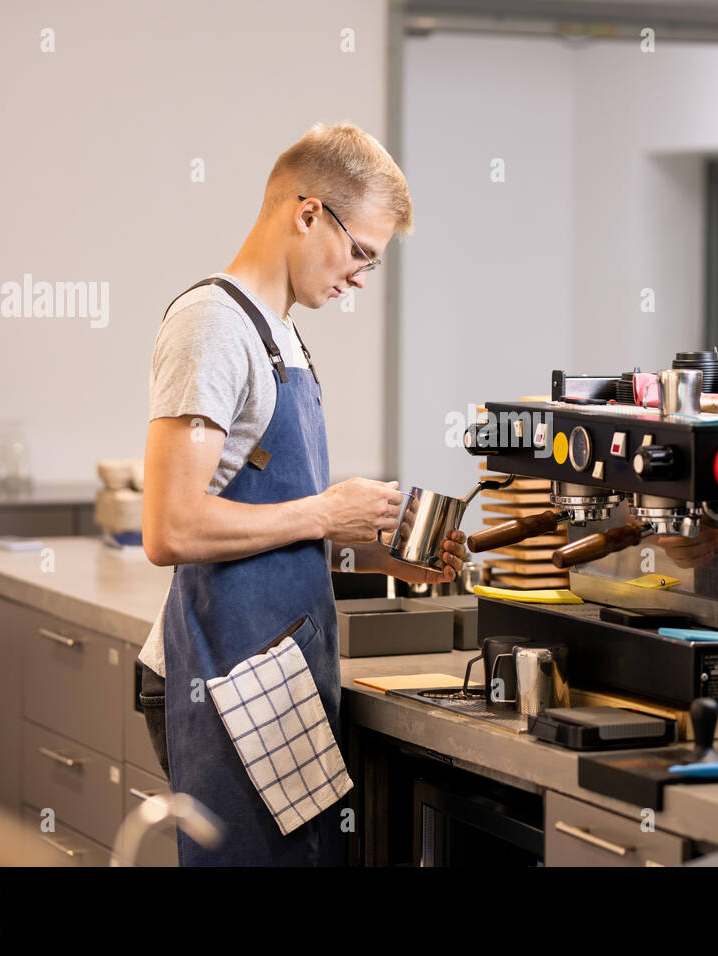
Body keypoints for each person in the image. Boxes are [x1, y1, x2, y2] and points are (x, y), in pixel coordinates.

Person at [138, 122, 465, 865]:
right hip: (222, 680)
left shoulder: (280, 334)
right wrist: (327, 509)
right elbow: (171, 528)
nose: (358, 279)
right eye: (360, 255)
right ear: (308, 212)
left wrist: (379, 555)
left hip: (272, 674)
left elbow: (265, 523)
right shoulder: (212, 326)